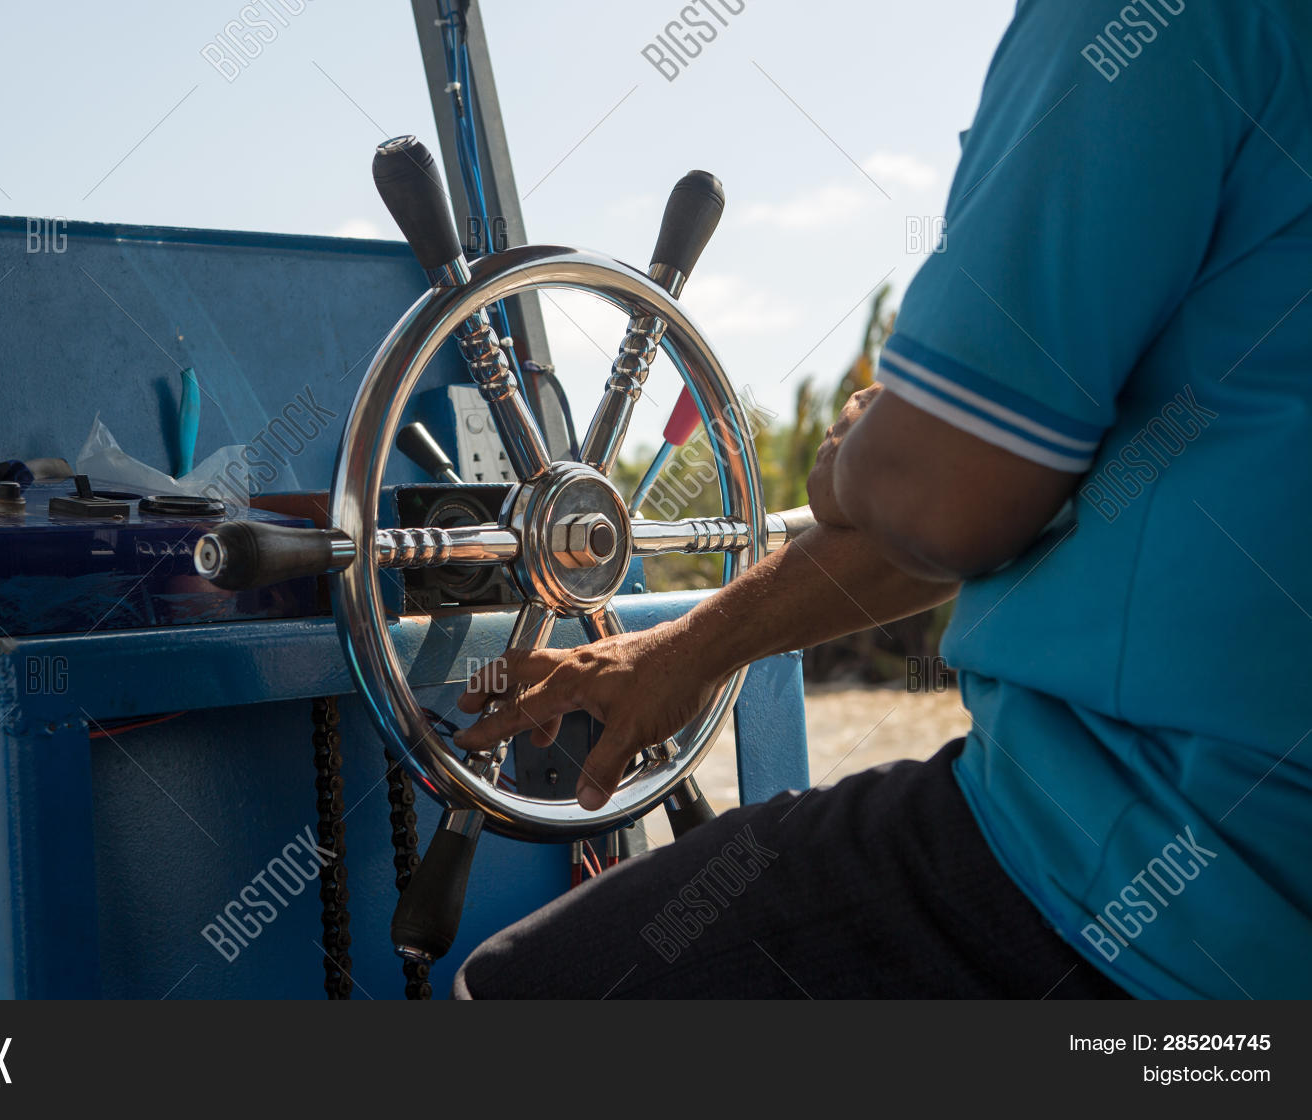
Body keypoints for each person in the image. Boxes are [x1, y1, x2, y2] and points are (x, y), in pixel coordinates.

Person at [451, 0, 1312, 999]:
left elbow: (939, 492)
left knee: (520, 993)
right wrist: (683, 648)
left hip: (1156, 883)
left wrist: (853, 461)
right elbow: (994, 490)